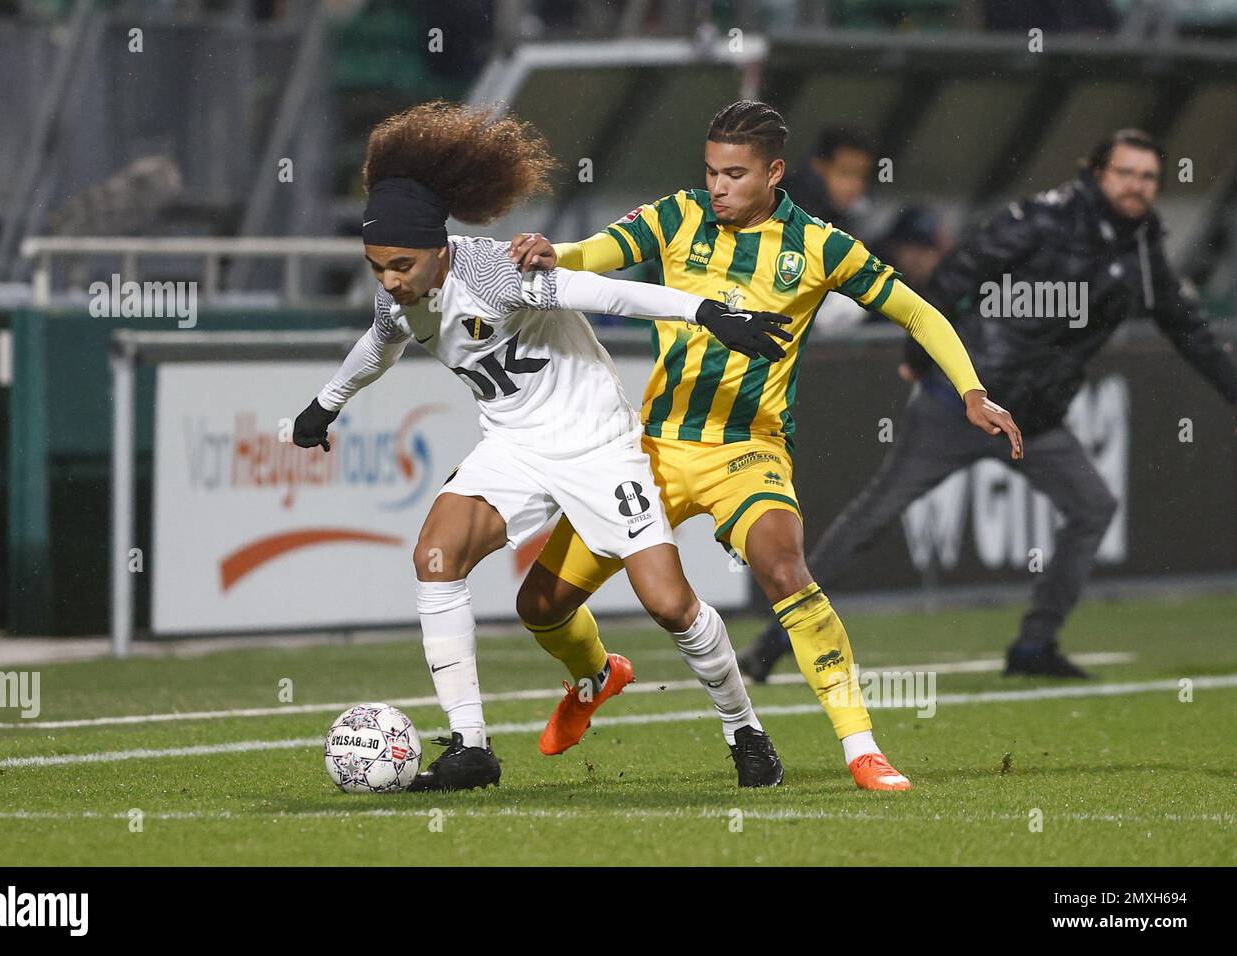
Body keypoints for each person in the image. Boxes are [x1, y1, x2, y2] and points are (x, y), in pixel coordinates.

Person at [509, 100, 1022, 791]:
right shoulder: (677, 215)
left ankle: (862, 747)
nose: (717, 186)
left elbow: (917, 310)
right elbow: (590, 258)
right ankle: (594, 678)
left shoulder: (820, 246)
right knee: (539, 605)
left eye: (735, 174)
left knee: (784, 569)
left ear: (774, 172)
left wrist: (971, 391)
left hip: (746, 451)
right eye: (712, 172)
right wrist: (548, 253)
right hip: (649, 452)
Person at [292, 101, 795, 791]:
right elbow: (380, 343)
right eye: (377, 267)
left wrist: (705, 311)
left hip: (597, 446)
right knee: (435, 555)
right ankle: (471, 747)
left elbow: (605, 295)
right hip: (514, 449)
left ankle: (744, 729)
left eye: (401, 265)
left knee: (669, 603)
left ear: (440, 250)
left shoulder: (497, 275)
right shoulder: (397, 295)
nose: (389, 281)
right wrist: (326, 404)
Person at [738, 128, 1237, 682]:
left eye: (1147, 177)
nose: (1136, 186)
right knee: (871, 519)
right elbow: (960, 269)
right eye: (1125, 173)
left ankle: (1033, 647)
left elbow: (1190, 332)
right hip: (963, 401)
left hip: (1032, 420)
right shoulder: (1047, 219)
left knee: (1093, 506)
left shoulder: (1143, 251)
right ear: (1098, 173)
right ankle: (769, 646)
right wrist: (921, 350)